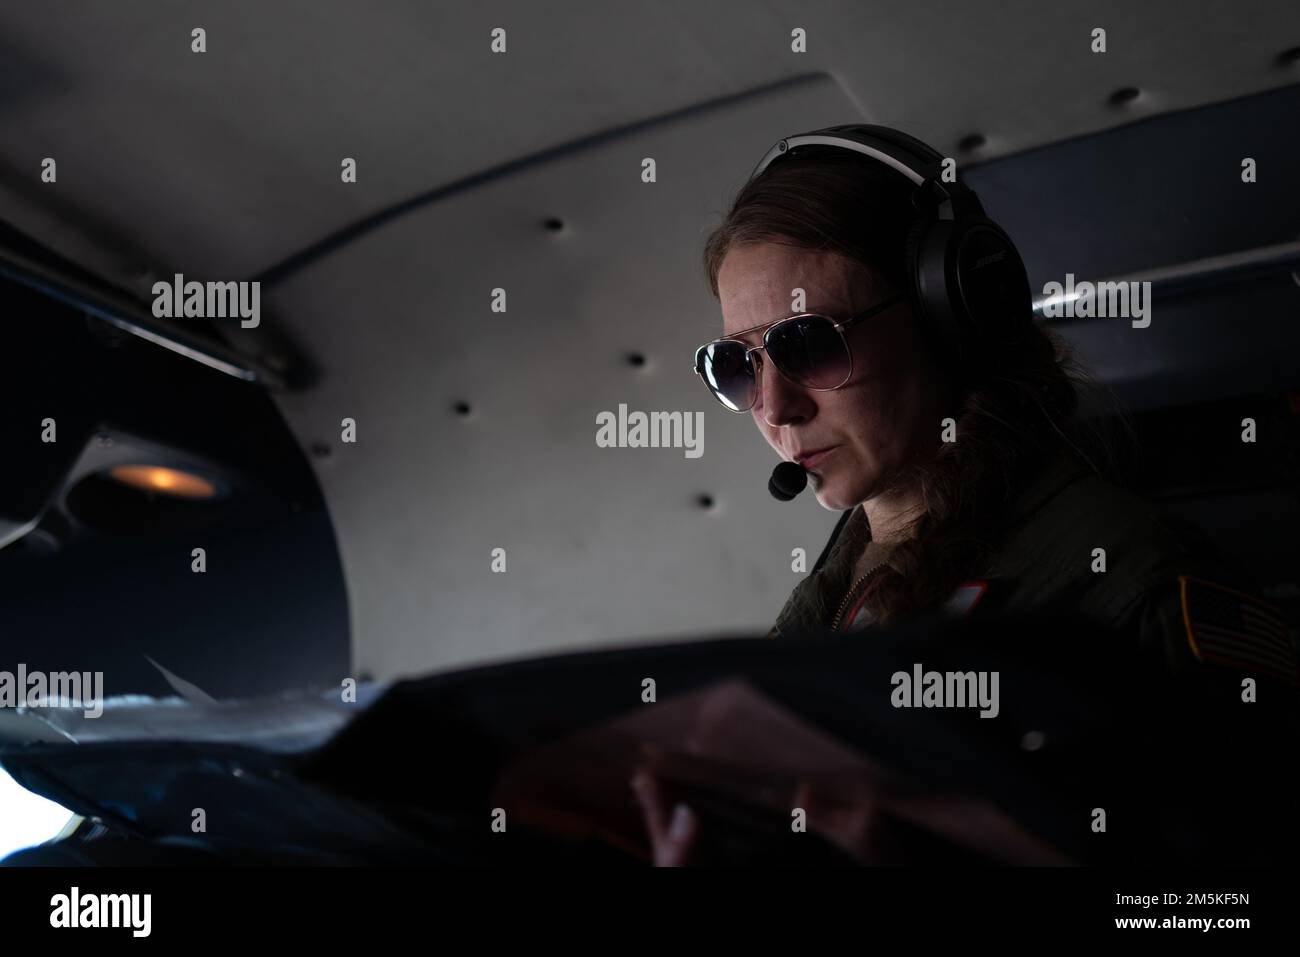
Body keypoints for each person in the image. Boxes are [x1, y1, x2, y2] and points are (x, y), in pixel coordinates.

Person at [631, 125, 1298, 866]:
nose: (776, 407)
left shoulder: (1135, 580)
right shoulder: (832, 599)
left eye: (809, 344)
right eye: (737, 365)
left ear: (949, 316)